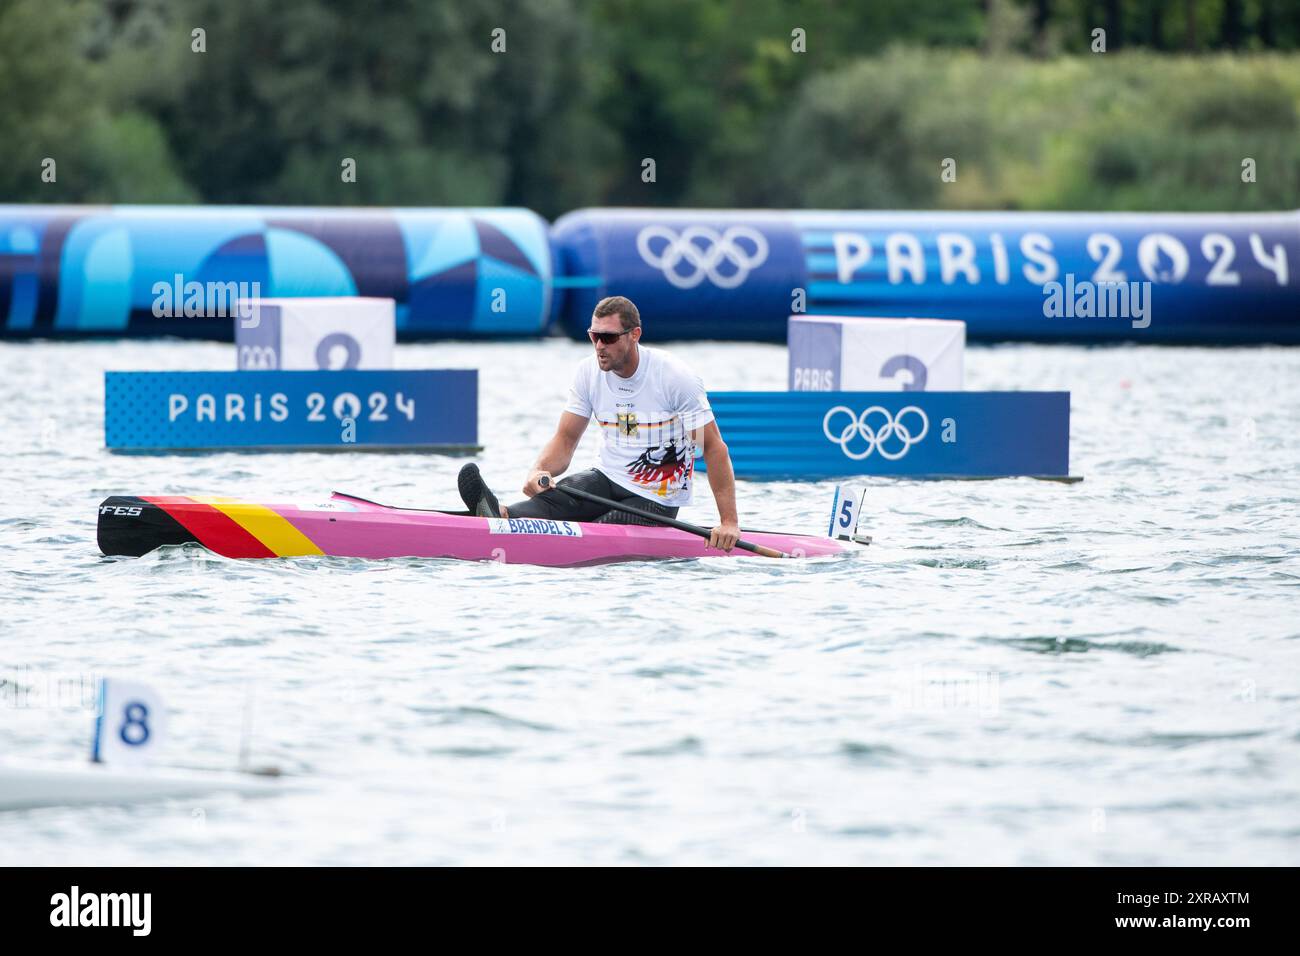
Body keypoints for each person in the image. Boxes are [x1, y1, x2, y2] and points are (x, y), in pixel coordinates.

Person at [458, 295, 742, 551]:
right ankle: (502, 516)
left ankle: (526, 530)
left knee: (603, 527)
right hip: (606, 478)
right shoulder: (587, 373)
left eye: (607, 338)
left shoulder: (674, 377)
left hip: (657, 497)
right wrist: (538, 470)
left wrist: (728, 522)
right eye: (593, 336)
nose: (598, 346)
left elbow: (714, 448)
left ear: (634, 335)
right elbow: (566, 439)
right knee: (555, 500)